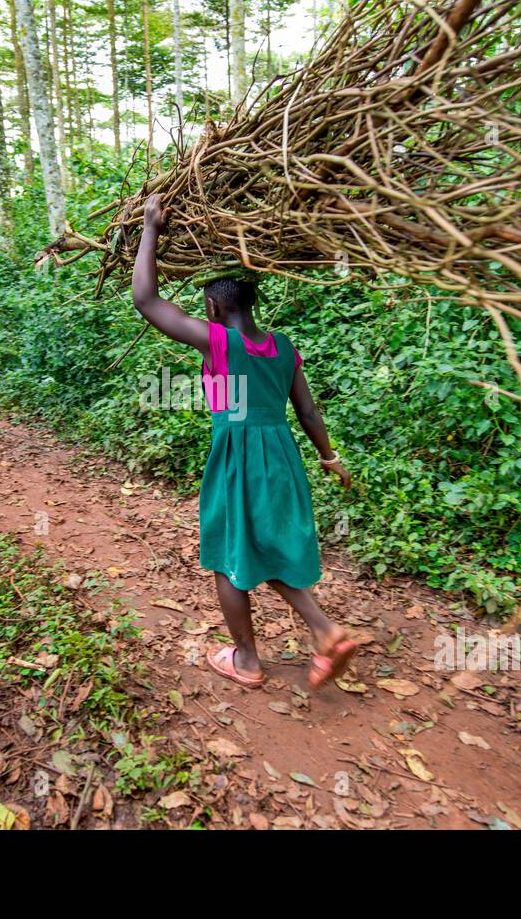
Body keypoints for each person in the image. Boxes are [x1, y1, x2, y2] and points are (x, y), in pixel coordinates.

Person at [131, 192, 359, 690]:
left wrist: (150, 226)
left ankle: (248, 661)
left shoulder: (218, 340)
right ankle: (325, 631)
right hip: (281, 454)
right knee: (265, 546)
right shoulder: (284, 346)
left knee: (228, 556)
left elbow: (146, 300)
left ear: (213, 304)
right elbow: (306, 409)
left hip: (237, 454)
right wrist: (329, 457)